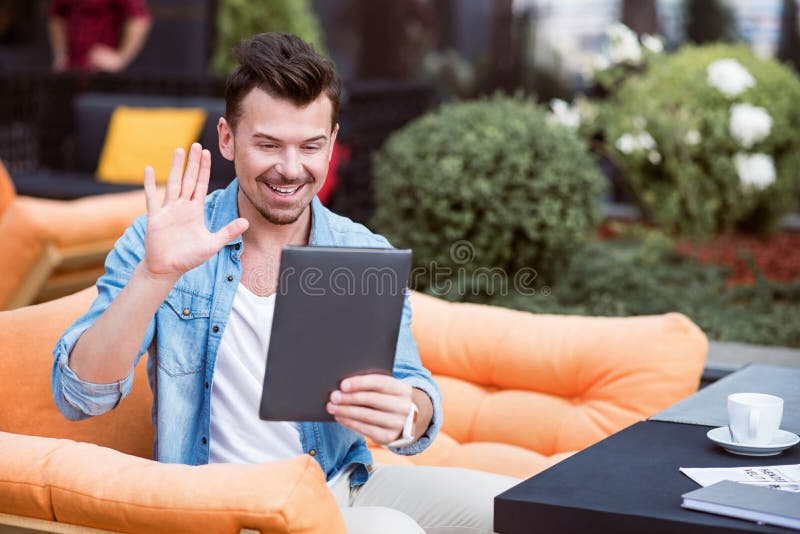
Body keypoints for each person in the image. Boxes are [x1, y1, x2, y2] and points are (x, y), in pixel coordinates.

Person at [51, 32, 518, 533]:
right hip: (224, 505)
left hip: (340, 481)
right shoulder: (161, 239)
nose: (291, 169)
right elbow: (80, 397)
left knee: (513, 508)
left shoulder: (362, 252)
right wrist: (154, 275)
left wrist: (408, 414)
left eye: (311, 146)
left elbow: (413, 387)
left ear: (333, 143)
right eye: (269, 144)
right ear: (227, 139)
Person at [48, 0, 151, 72]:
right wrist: (60, 53)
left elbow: (140, 19)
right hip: (70, 70)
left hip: (102, 72)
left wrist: (121, 58)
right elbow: (56, 17)